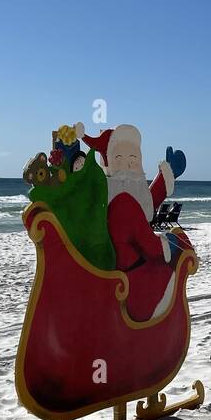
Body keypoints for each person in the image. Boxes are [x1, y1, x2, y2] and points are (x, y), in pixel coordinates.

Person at [82, 125, 186, 321]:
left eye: (134, 159)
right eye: (120, 159)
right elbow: (153, 246)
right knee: (174, 267)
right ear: (110, 163)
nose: (129, 166)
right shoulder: (123, 202)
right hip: (135, 281)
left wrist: (167, 175)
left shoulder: (127, 195)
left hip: (123, 271)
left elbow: (147, 202)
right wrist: (169, 244)